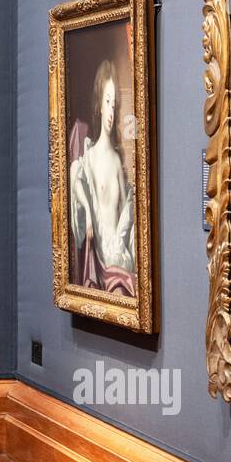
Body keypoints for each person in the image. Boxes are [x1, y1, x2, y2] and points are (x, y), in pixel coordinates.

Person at [69, 58, 136, 295]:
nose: (111, 111)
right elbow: (77, 186)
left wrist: (121, 246)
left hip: (118, 259)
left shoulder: (118, 162)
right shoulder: (87, 158)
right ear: (99, 104)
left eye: (114, 104)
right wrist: (88, 213)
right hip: (98, 263)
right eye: (107, 102)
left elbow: (126, 213)